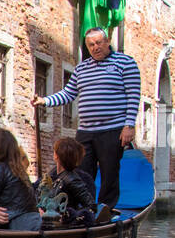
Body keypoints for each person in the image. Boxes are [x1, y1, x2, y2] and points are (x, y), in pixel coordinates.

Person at [31, 28, 140, 207]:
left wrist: (129, 125)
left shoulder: (125, 63)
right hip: (86, 130)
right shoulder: (81, 68)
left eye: (98, 43)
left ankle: (106, 210)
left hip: (112, 129)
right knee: (80, 171)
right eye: (91, 45)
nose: (95, 47)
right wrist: (45, 101)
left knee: (109, 172)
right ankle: (83, 207)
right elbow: (68, 94)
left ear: (107, 42)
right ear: (87, 47)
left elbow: (134, 95)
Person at [48, 136, 97, 227]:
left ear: (56, 156)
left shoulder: (72, 179)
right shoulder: (52, 175)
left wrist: (67, 216)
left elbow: (91, 206)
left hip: (63, 225)